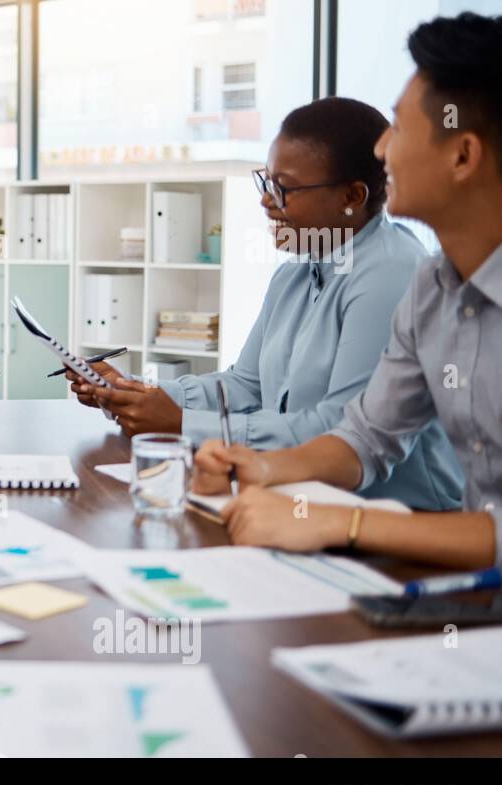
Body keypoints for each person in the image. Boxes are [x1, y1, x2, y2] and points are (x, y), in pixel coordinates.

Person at [192, 12, 502, 569]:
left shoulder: (393, 268)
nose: (382, 149)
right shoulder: (434, 286)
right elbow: (367, 435)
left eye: (400, 129)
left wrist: (347, 522)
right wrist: (258, 467)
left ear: (464, 156)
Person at [69, 97, 462, 511]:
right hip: (306, 503)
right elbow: (246, 385)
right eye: (266, 181)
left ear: (352, 195)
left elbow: (338, 429)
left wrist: (181, 423)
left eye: (284, 188)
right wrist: (140, 395)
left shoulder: (390, 274)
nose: (266, 201)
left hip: (400, 518)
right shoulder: (297, 268)